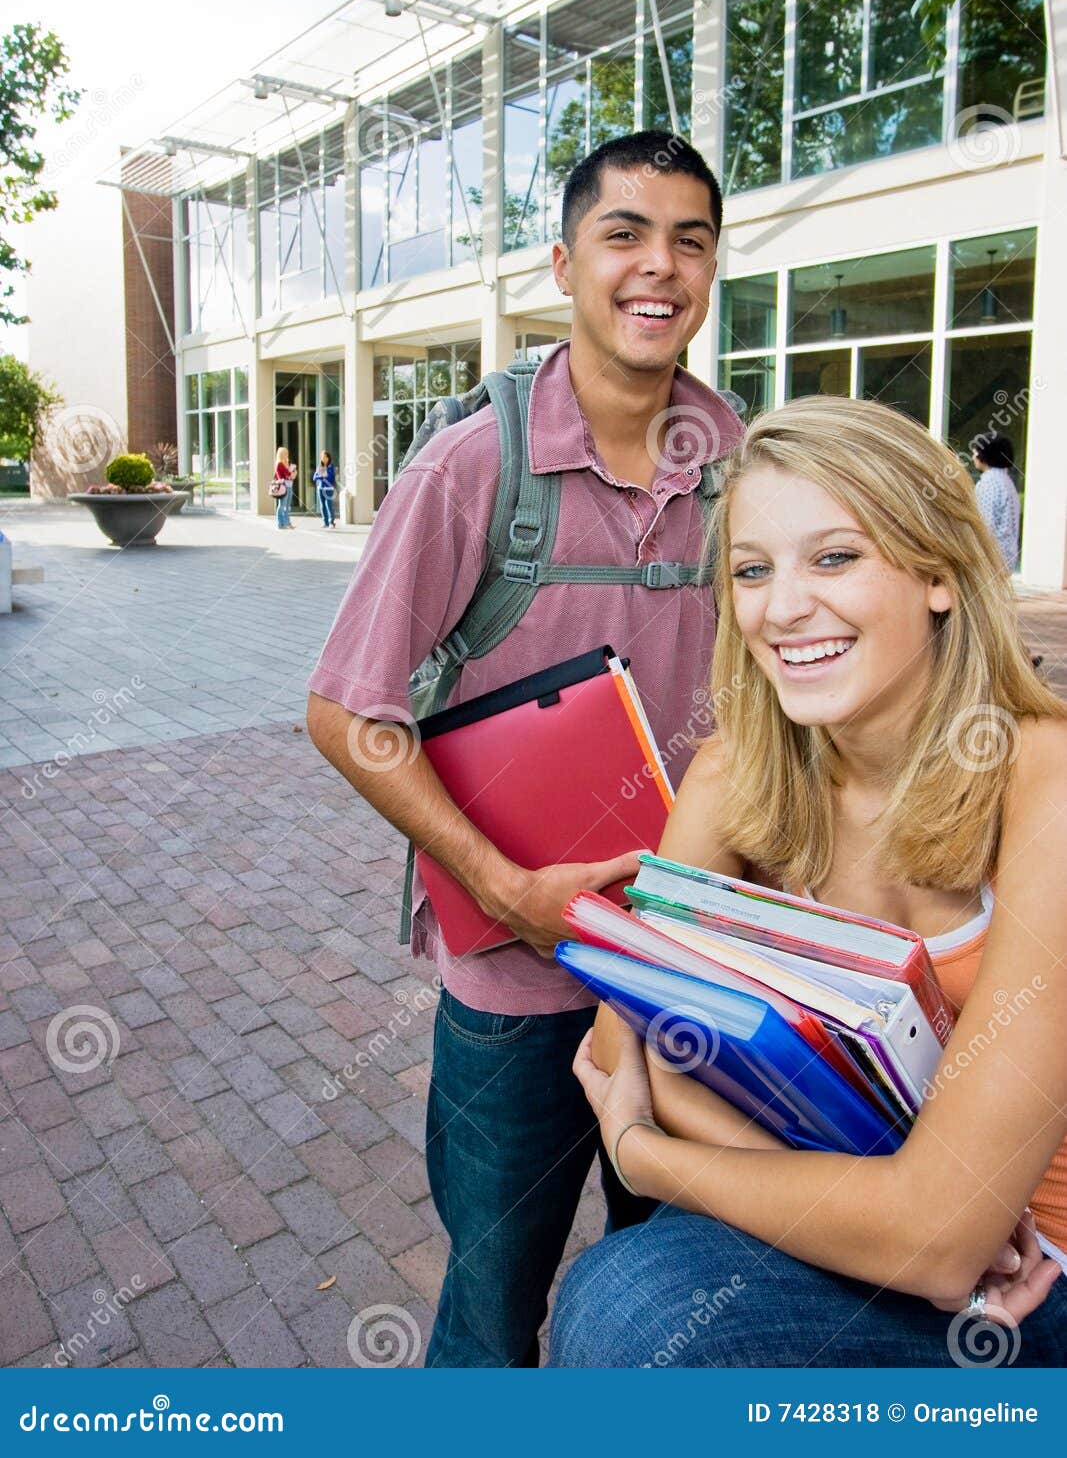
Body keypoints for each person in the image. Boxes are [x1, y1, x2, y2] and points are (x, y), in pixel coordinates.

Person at [306, 131, 745, 1367]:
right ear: (563, 263)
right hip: (517, 980)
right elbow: (348, 711)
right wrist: (498, 885)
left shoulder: (740, 463)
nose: (657, 266)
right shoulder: (470, 465)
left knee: (681, 1308)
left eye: (689, 239)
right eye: (624, 234)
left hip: (691, 974)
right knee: (494, 1313)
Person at [550, 395, 1067, 1368]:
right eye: (752, 569)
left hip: (1031, 1279)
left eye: (833, 557)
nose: (781, 606)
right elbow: (622, 1052)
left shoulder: (1044, 777)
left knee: (635, 1308)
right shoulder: (739, 771)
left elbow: (945, 1237)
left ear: (938, 574)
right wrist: (907, 1203)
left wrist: (644, 1156)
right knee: (627, 1303)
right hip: (864, 1238)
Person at [973, 433, 1021, 572]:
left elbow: (985, 524)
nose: (973, 457)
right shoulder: (1006, 481)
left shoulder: (989, 483)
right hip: (1007, 555)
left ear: (985, 456)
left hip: (991, 558)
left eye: (976, 452)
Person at [273, 447, 296, 529]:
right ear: (282, 454)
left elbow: (291, 476)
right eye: (285, 453)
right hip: (283, 486)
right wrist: (292, 473)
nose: (287, 455)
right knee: (282, 505)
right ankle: (281, 523)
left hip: (289, 486)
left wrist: (292, 473)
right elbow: (288, 474)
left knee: (287, 506)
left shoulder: (285, 463)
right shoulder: (280, 464)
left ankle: (287, 523)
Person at [313, 450, 337, 528]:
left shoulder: (331, 467)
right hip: (321, 488)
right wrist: (322, 476)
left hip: (329, 488)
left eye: (325, 457)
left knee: (328, 504)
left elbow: (330, 477)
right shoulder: (320, 466)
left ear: (328, 458)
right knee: (322, 505)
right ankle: (325, 522)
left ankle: (331, 522)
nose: (323, 458)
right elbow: (315, 477)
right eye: (322, 457)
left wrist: (323, 475)